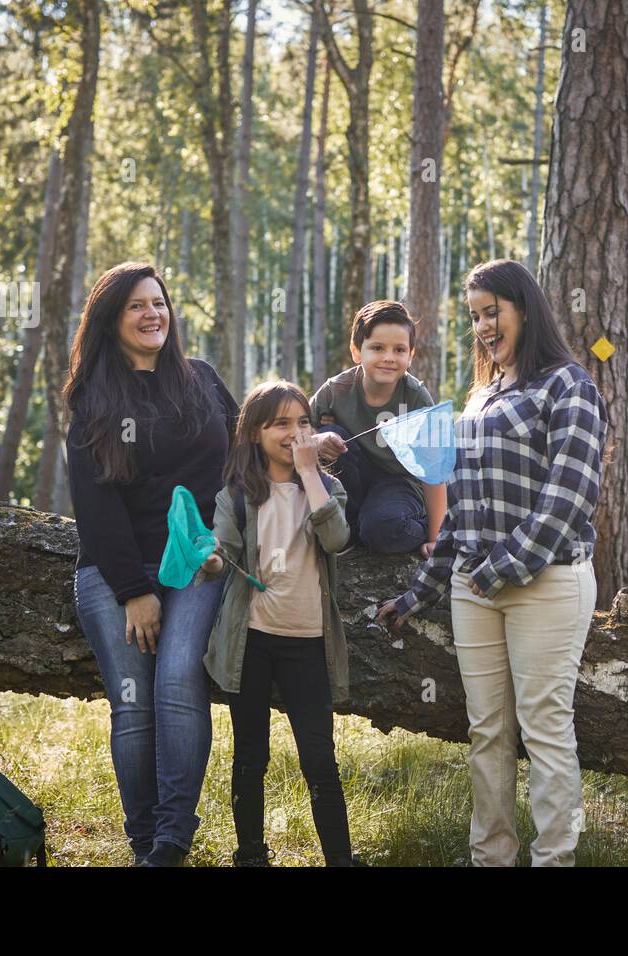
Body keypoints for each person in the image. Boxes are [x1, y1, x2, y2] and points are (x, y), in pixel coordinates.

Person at [376, 258, 608, 867]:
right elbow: (461, 510)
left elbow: (570, 497)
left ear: (524, 308)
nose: (483, 325)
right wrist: (415, 596)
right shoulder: (482, 396)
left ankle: (554, 858)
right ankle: (491, 856)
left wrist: (504, 565)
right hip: (472, 587)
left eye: (492, 311)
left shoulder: (569, 385)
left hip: (547, 584)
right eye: (475, 315)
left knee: (546, 730)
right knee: (488, 734)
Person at [66, 261, 237, 867]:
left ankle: (171, 841)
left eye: (159, 302)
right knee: (134, 703)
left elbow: (248, 455)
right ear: (112, 321)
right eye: (137, 305)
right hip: (117, 574)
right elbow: (95, 505)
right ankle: (143, 845)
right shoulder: (93, 399)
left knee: (175, 681)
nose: (152, 314)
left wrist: (314, 445)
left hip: (196, 563)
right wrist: (135, 591)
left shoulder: (203, 382)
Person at [198, 380, 358, 866]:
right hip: (253, 643)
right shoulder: (239, 495)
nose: (295, 432)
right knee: (250, 755)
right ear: (253, 433)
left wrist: (311, 474)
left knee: (319, 759)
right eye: (281, 424)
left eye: (303, 422)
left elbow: (336, 539)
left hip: (308, 644)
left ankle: (340, 859)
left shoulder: (327, 488)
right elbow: (222, 554)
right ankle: (250, 854)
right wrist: (210, 561)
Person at [310, 300, 448, 558]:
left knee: (382, 528)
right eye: (377, 348)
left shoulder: (417, 397)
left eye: (399, 350)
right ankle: (350, 527)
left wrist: (436, 537)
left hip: (400, 482)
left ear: (411, 355)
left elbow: (434, 472)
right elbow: (300, 429)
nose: (388, 357)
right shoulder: (335, 390)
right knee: (332, 434)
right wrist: (317, 440)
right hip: (354, 477)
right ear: (356, 351)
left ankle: (405, 523)